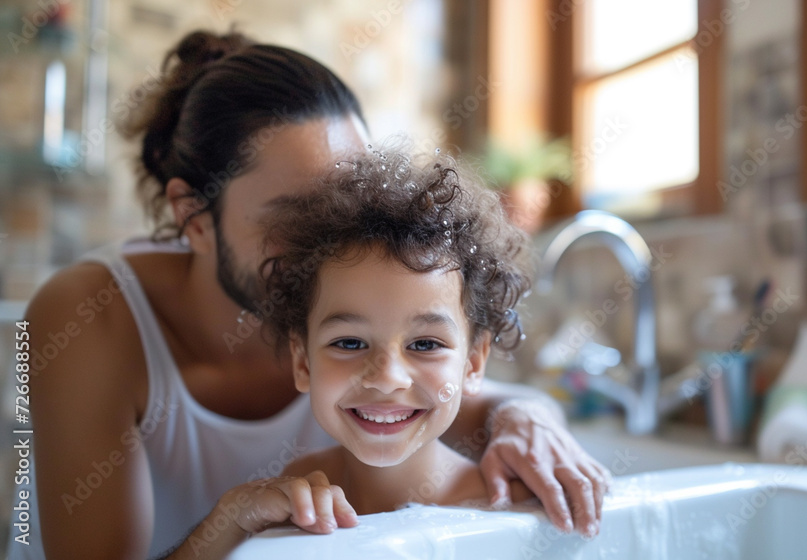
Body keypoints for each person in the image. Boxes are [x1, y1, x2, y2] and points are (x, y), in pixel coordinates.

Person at [19, 29, 608, 560]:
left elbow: (464, 387)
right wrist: (229, 523)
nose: (331, 245)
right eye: (293, 218)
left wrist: (527, 414)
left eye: (346, 205)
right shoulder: (87, 313)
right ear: (194, 217)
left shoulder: (355, 320)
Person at [198, 146, 542, 558]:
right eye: (349, 343)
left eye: (425, 344)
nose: (385, 376)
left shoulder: (513, 508)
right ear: (303, 360)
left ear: (473, 362)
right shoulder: (295, 494)